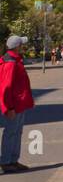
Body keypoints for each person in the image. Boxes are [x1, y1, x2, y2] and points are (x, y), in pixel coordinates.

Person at [1, 34, 35, 174]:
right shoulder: (10, 63)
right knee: (11, 132)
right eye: (22, 44)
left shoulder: (15, 60)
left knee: (17, 132)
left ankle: (13, 160)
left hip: (19, 104)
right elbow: (5, 87)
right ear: (17, 47)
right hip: (14, 105)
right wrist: (9, 107)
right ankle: (6, 161)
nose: (23, 46)